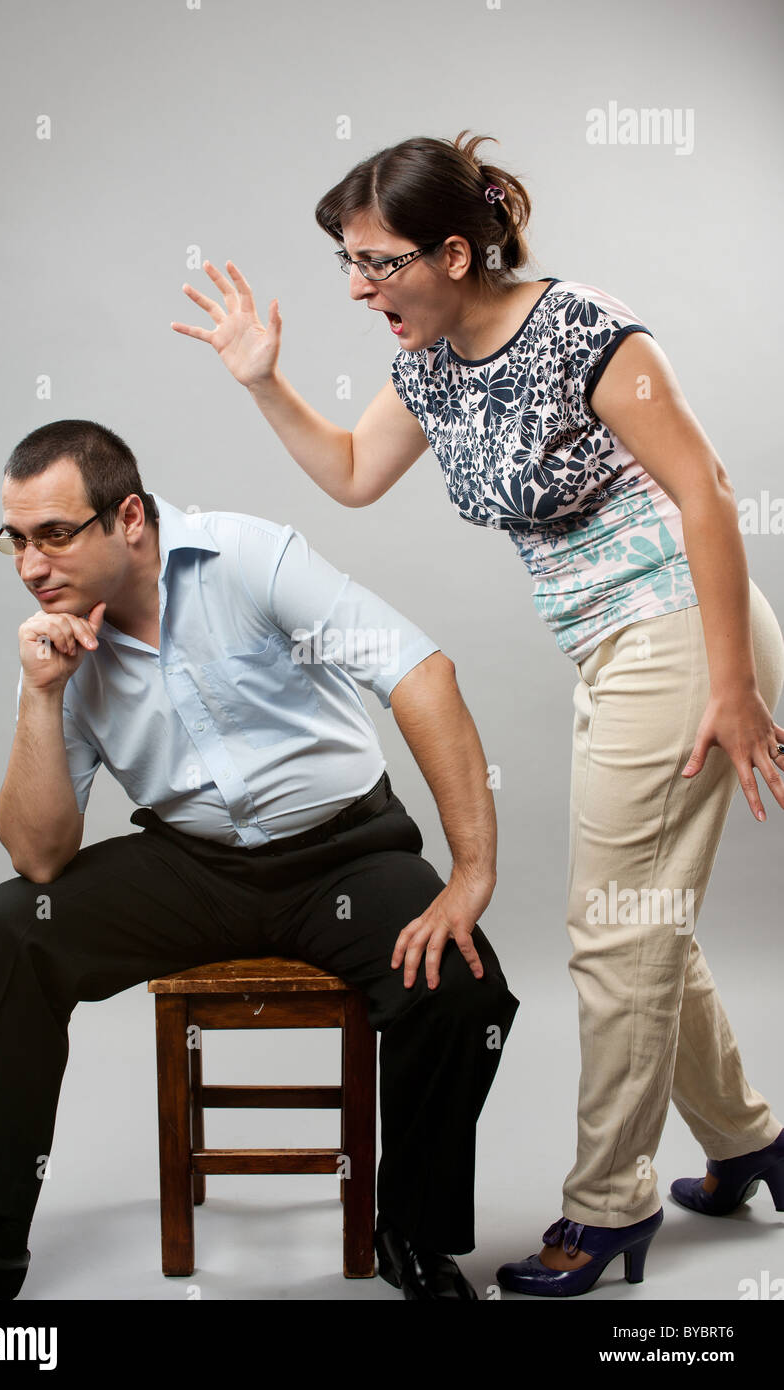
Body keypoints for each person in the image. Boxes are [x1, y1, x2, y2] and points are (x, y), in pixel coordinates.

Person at [170, 129, 784, 1297]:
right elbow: (352, 471)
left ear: (453, 251)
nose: (357, 289)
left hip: (679, 630)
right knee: (639, 917)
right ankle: (750, 1138)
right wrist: (261, 381)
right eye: (346, 264)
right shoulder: (427, 365)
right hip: (611, 649)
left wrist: (733, 687)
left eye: (376, 263)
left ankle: (606, 1209)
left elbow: (703, 486)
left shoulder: (583, 326)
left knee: (612, 931)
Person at [0, 418, 519, 1302]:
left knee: (459, 988)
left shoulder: (248, 558)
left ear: (126, 518)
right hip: (193, 868)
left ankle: (413, 1234)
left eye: (54, 535)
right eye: (17, 539)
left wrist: (471, 874)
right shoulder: (58, 640)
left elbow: (422, 673)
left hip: (345, 857)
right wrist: (44, 700)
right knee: (5, 930)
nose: (31, 566)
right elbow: (39, 858)